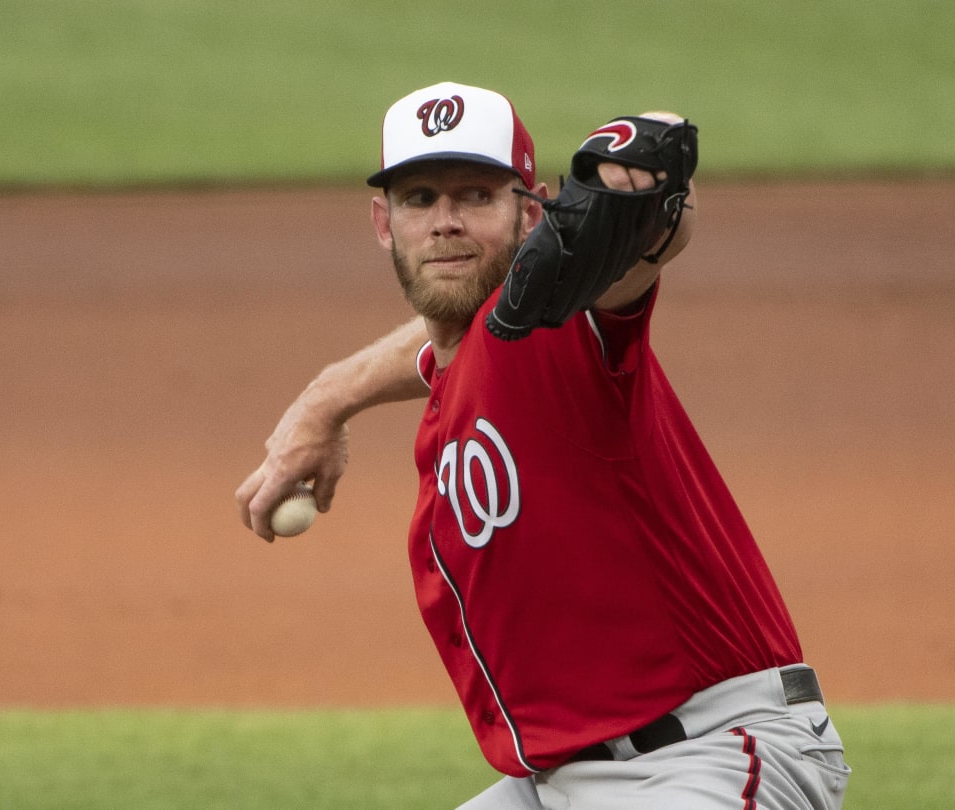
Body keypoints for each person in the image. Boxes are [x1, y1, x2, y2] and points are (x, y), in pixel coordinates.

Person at [235, 81, 850, 809]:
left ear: (533, 212)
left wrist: (630, 186)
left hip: (705, 757)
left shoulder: (569, 318)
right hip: (556, 783)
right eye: (420, 198)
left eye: (475, 195)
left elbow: (655, 222)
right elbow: (441, 346)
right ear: (383, 222)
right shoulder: (467, 366)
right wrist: (326, 400)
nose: (445, 223)